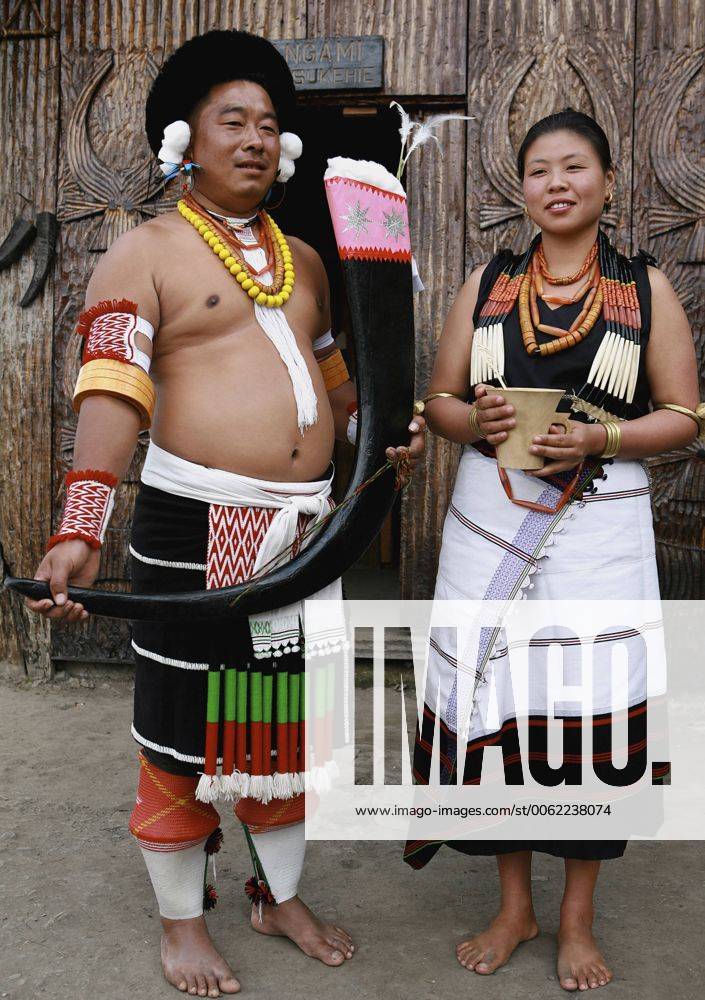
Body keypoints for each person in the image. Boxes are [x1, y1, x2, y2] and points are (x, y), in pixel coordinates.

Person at [26, 30, 425, 998]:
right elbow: (112, 393)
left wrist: (380, 439)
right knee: (182, 734)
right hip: (196, 531)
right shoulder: (143, 252)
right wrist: (79, 529)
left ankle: (276, 894)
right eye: (231, 120)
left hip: (307, 534)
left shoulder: (305, 265)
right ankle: (180, 923)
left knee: (279, 730)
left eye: (268, 124)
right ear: (187, 141)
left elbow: (335, 391)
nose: (255, 137)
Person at [404, 109, 700, 991]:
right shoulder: (490, 282)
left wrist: (601, 442)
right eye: (538, 170)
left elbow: (684, 416)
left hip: (596, 534)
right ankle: (511, 904)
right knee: (497, 704)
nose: (556, 183)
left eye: (574, 167)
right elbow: (441, 397)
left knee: (584, 715)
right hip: (492, 522)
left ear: (607, 184)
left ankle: (575, 916)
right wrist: (474, 417)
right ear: (520, 189)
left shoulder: (644, 287)